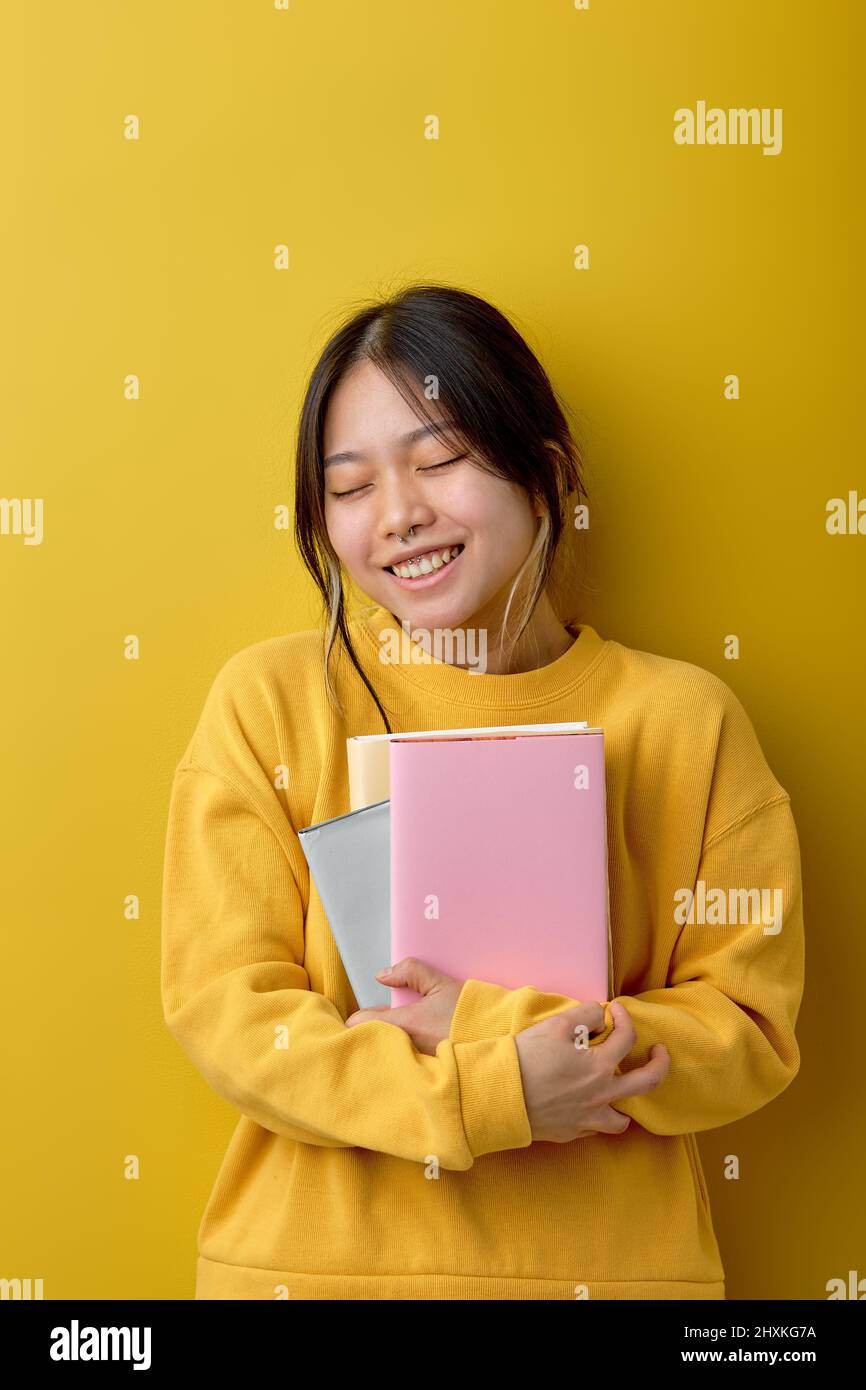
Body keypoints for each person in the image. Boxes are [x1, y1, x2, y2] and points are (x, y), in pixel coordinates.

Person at [160, 283, 804, 1300]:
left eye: (440, 457)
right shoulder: (270, 702)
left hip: (607, 1278)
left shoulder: (686, 721)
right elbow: (230, 1013)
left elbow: (746, 1034)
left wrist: (482, 1025)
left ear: (542, 470)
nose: (400, 513)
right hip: (312, 1275)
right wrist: (497, 1093)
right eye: (350, 484)